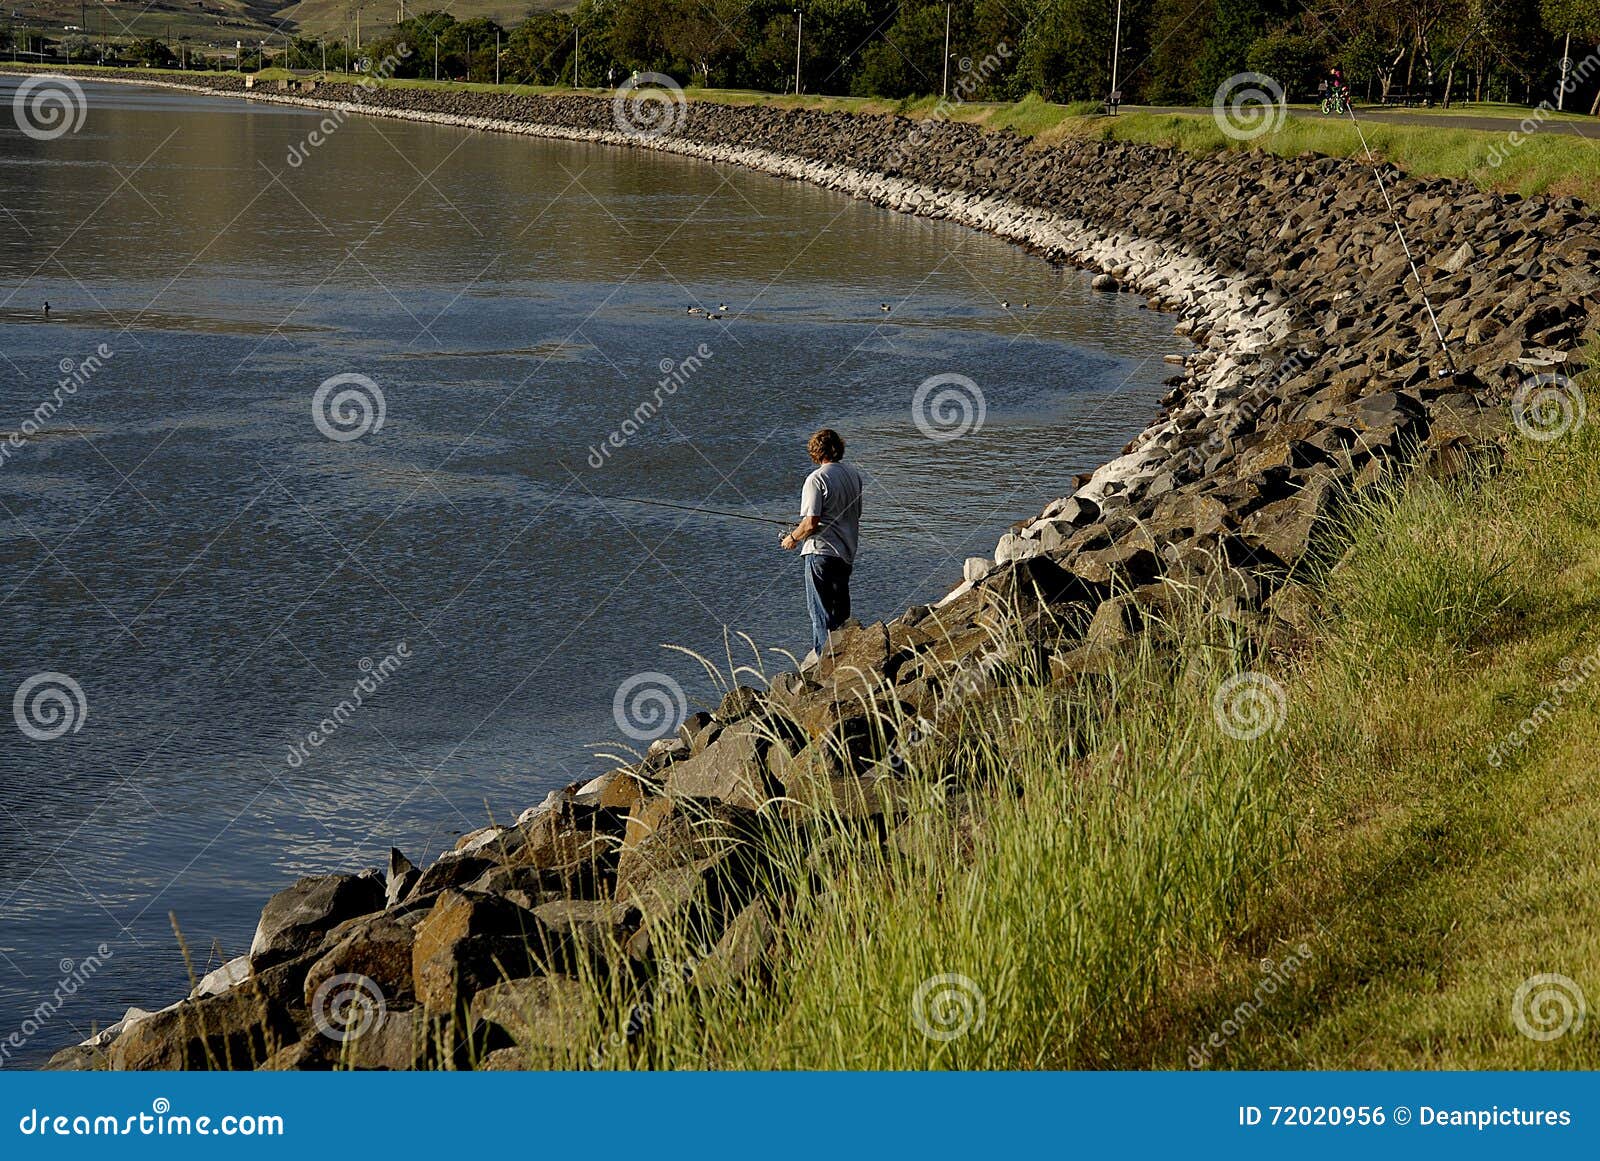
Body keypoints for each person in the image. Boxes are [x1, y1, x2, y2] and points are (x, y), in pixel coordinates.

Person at [780, 427, 863, 661]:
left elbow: (811, 523)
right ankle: (846, 662)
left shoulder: (816, 479)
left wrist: (792, 538)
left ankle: (826, 668)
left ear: (816, 452)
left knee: (821, 615)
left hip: (821, 554)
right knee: (840, 616)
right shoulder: (853, 476)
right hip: (846, 554)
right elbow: (855, 514)